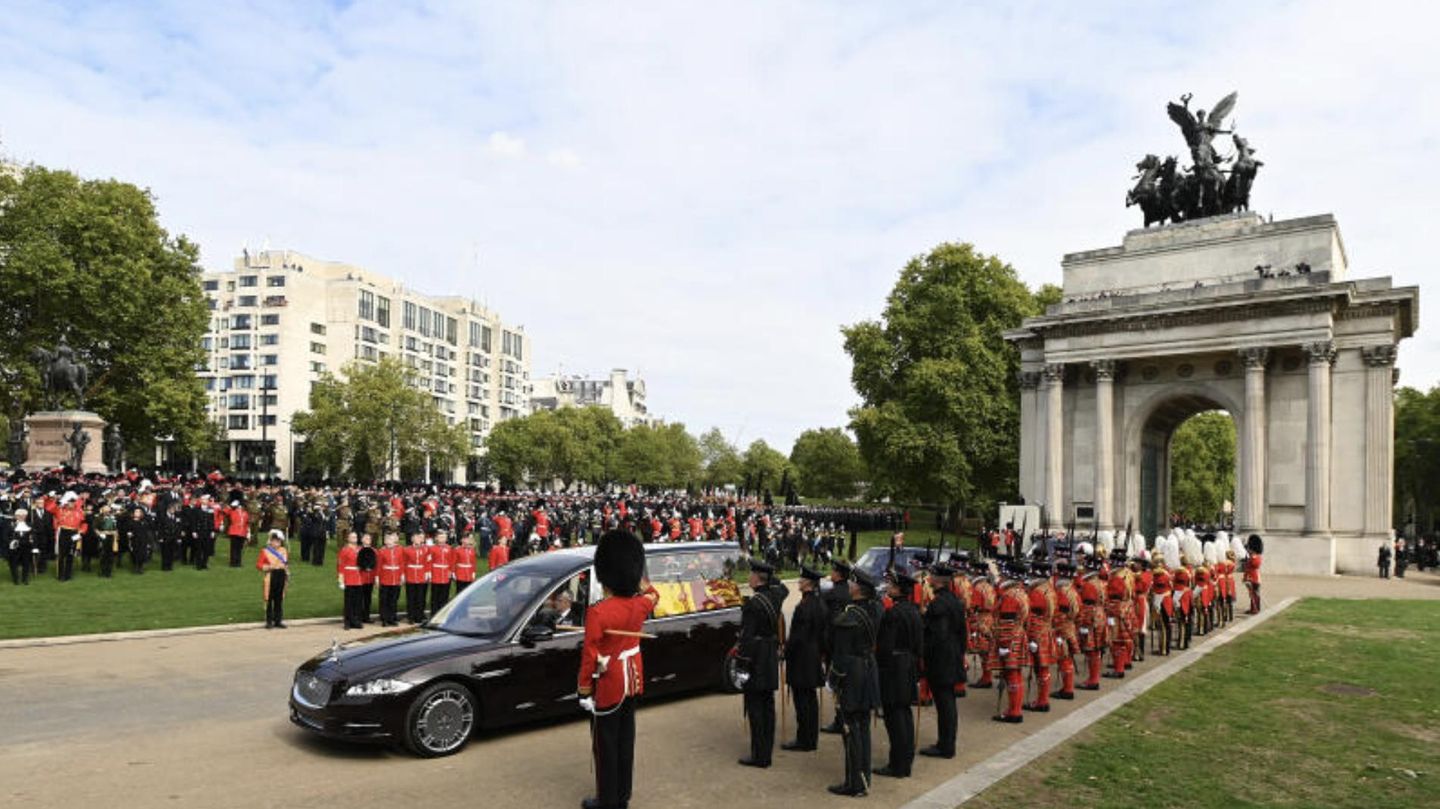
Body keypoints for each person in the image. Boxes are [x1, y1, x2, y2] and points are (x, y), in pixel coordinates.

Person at [577, 530, 660, 809]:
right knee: (626, 741)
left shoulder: (599, 612)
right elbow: (652, 592)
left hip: (610, 682)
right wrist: (635, 577)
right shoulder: (641, 604)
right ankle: (622, 796)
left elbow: (590, 656)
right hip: (634, 678)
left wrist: (584, 689)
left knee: (606, 745)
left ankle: (607, 801)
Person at [827, 567, 881, 797]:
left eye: (851, 583)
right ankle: (862, 778)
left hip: (853, 675)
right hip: (869, 669)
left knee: (851, 729)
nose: (848, 586)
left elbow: (841, 655)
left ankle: (855, 783)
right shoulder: (875, 609)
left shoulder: (848, 617)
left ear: (858, 589)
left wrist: (834, 679)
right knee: (863, 727)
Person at [737, 560, 785, 768]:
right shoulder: (776, 596)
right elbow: (781, 586)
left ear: (757, 578)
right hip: (769, 655)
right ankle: (767, 749)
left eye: (751, 575)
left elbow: (746, 638)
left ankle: (760, 755)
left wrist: (742, 665)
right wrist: (770, 573)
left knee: (755, 707)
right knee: (768, 706)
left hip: (755, 657)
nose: (749, 578)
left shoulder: (753, 604)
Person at [876, 568, 923, 778]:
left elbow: (885, 646)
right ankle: (905, 761)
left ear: (898, 590)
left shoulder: (894, 613)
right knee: (904, 715)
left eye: (891, 586)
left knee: (895, 718)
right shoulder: (913, 610)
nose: (888, 588)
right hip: (908, 664)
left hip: (894, 667)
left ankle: (898, 764)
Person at [922, 561, 966, 758]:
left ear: (939, 581)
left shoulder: (939, 604)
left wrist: (924, 653)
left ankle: (946, 745)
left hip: (942, 659)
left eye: (931, 575)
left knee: (945, 703)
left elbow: (937, 636)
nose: (928, 579)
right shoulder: (954, 600)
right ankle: (946, 743)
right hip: (952, 655)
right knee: (947, 702)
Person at [782, 565, 827, 752]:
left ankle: (804, 739)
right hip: (814, 655)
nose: (799, 582)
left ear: (808, 584)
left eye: (801, 580)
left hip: (802, 659)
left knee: (802, 701)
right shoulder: (820, 604)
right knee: (810, 700)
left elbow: (798, 637)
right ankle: (811, 738)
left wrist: (786, 653)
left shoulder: (804, 607)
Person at [820, 558, 853, 735]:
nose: (831, 573)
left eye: (833, 571)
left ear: (838, 574)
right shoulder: (850, 591)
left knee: (838, 686)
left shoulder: (832, 595)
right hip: (850, 645)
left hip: (836, 646)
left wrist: (825, 648)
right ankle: (844, 718)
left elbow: (831, 624)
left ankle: (841, 720)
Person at [259, 530, 290, 628]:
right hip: (271, 574)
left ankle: (278, 620)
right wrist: (267, 567)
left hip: (281, 574)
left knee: (279, 599)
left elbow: (286, 563)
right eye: (275, 541)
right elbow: (259, 564)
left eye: (279, 541)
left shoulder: (283, 551)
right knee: (269, 598)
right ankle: (269, 621)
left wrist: (287, 572)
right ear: (271, 541)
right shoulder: (265, 551)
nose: (277, 543)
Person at [337, 532, 364, 629]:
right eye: (352, 537)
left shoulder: (360, 549)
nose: (354, 538)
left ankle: (355, 621)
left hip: (358, 578)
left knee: (357, 601)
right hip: (348, 577)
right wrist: (341, 580)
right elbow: (340, 565)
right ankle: (347, 622)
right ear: (348, 538)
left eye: (356, 537)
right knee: (349, 602)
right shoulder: (344, 550)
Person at [376, 532, 404, 626]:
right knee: (384, 600)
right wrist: (377, 577)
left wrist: (402, 575)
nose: (389, 542)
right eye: (388, 540)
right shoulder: (382, 551)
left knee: (393, 599)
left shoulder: (399, 550)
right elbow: (379, 565)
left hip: (395, 577)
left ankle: (392, 618)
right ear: (385, 541)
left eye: (391, 540)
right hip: (385, 577)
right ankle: (384, 619)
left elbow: (401, 563)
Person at [403, 532, 429, 624]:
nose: (418, 540)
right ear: (412, 540)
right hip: (410, 574)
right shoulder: (407, 549)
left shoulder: (425, 550)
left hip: (421, 574)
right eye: (416, 538)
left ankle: (419, 616)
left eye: (419, 538)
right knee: (411, 597)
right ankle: (411, 616)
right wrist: (403, 574)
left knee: (420, 597)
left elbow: (427, 562)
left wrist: (427, 572)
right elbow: (404, 562)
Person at [428, 534, 455, 615]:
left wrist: (451, 571)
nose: (442, 539)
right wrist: (429, 572)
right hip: (436, 573)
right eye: (440, 537)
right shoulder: (432, 548)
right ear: (436, 538)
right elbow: (429, 561)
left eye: (444, 537)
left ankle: (442, 613)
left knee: (444, 595)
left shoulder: (449, 548)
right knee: (435, 595)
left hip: (446, 574)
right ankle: (434, 613)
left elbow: (452, 561)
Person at [223, 499, 250, 567]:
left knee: (239, 548)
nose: (240, 507)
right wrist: (231, 505)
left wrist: (248, 533)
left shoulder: (245, 513)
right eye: (239, 506)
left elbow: (247, 524)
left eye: (241, 506)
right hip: (234, 532)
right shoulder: (232, 511)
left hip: (242, 532)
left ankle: (238, 562)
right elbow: (225, 511)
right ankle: (233, 562)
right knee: (233, 548)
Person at [1244, 534, 1264, 613]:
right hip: (1250, 577)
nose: (1248, 550)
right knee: (1251, 594)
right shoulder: (1252, 556)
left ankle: (1256, 608)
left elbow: (1255, 565)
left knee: (1255, 594)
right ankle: (1253, 608)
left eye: (1249, 548)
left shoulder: (1256, 557)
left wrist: (1251, 557)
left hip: (1254, 577)